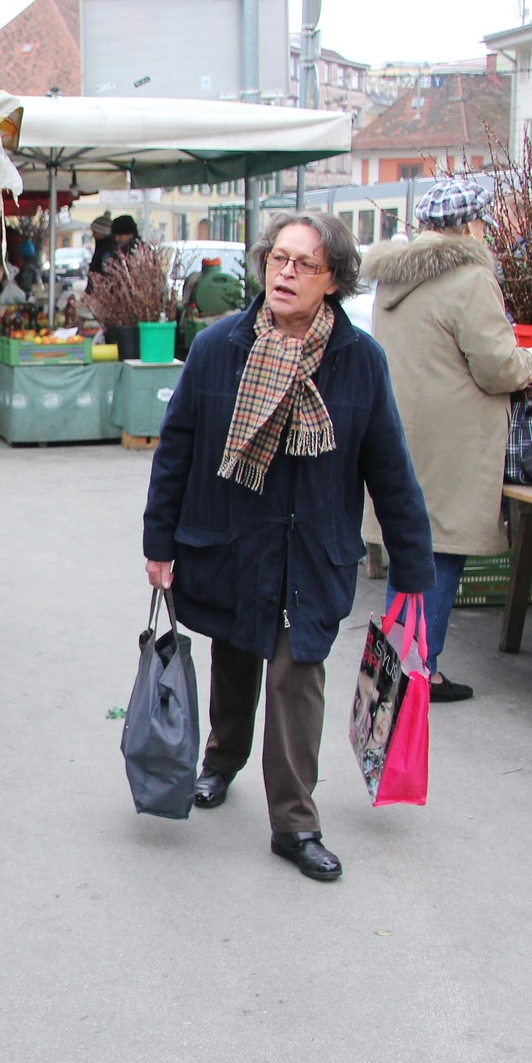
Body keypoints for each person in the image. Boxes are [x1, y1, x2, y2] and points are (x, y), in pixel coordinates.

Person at [142, 211, 434, 882]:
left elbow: (388, 467)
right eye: (278, 258)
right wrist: (159, 541)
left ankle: (295, 823)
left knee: (297, 673)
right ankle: (220, 760)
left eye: (304, 263)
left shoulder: (358, 361)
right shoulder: (220, 346)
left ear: (333, 279)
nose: (286, 273)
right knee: (235, 656)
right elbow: (177, 447)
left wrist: (412, 566)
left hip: (312, 550)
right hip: (231, 540)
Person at [362, 179, 532, 703]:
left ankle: (400, 667)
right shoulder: (469, 277)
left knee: (411, 549)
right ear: (470, 226)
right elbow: (496, 367)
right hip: (453, 441)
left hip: (402, 432)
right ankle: (420, 672)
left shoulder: (392, 279)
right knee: (439, 553)